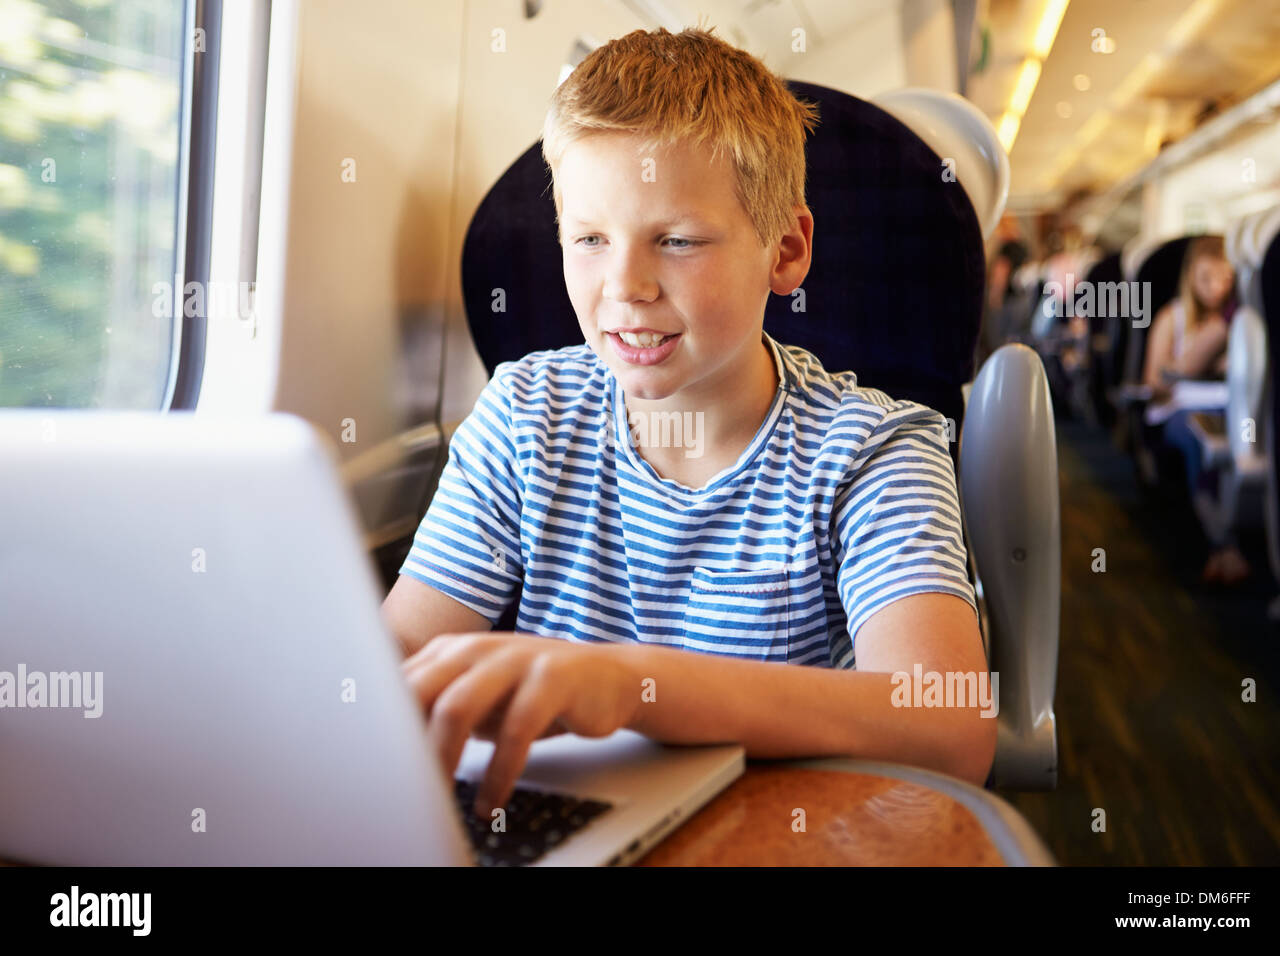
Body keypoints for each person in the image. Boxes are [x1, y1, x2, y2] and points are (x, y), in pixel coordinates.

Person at [381, 26, 994, 817]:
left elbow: (946, 722)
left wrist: (632, 688)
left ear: (785, 250)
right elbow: (401, 655)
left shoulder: (873, 451)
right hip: (565, 819)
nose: (625, 285)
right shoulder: (525, 415)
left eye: (675, 240)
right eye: (591, 240)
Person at [1141, 235, 1242, 583]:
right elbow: (1151, 383)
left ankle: (1228, 542)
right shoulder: (1174, 317)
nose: (1216, 288)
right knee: (1198, 443)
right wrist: (1188, 367)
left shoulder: (1240, 325)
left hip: (1222, 409)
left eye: (1225, 279)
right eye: (1206, 279)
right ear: (1190, 277)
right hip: (1176, 411)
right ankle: (1222, 545)